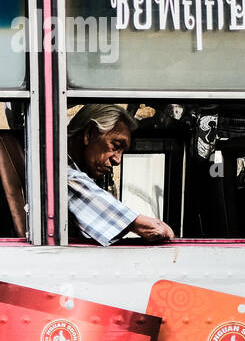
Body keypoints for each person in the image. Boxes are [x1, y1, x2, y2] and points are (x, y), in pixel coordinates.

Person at [66, 104, 174, 245]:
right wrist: (149, 226)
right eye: (115, 146)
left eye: (122, 152)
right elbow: (153, 228)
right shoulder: (60, 175)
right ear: (90, 134)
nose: (117, 160)